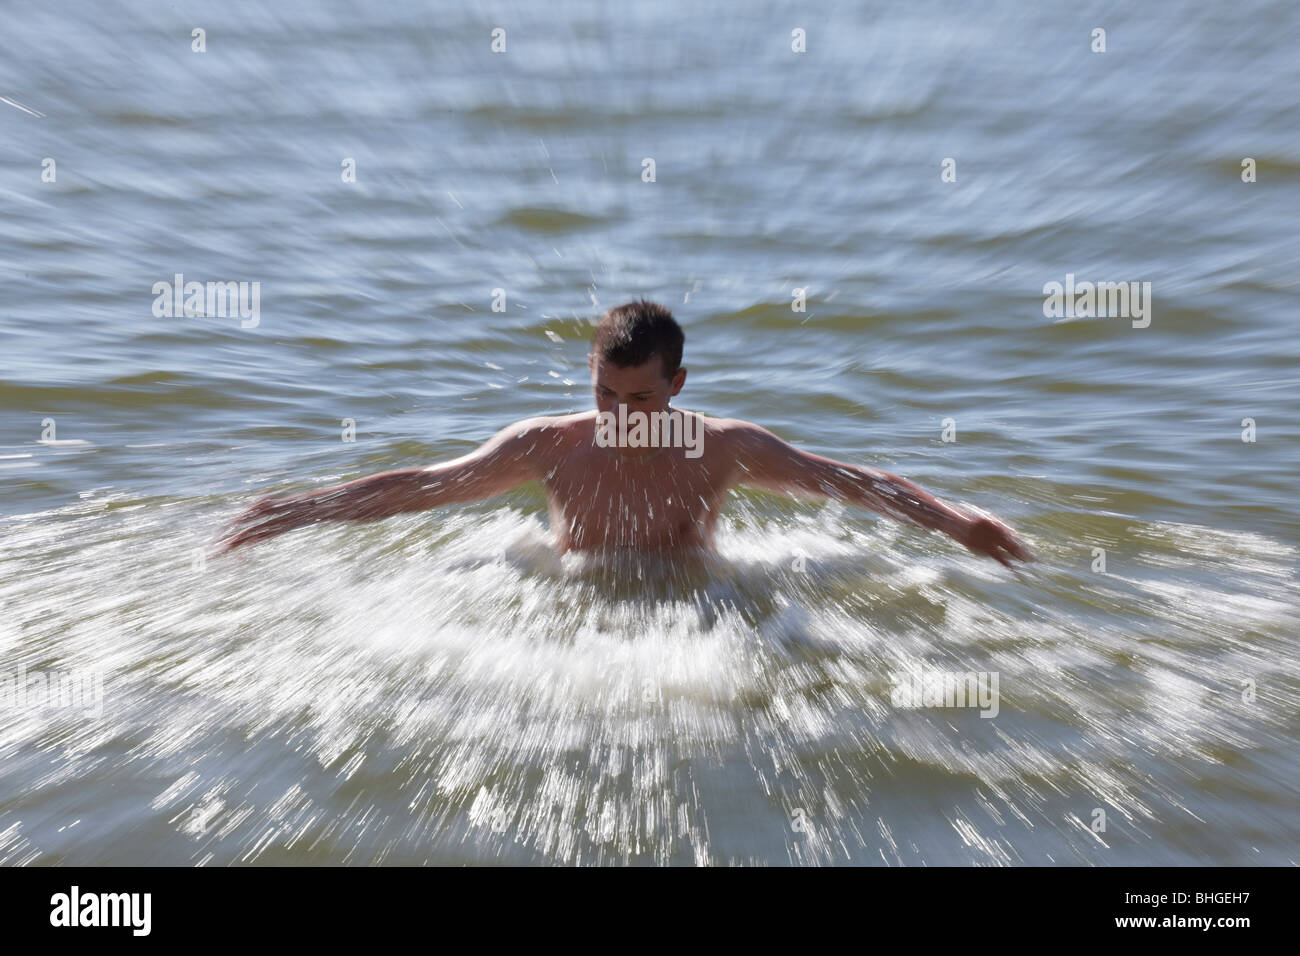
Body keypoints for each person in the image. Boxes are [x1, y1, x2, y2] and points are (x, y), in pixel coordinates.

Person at [220, 300, 1032, 568]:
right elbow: (427, 486)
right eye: (604, 393)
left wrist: (961, 524)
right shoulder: (548, 444)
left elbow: (850, 482)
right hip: (579, 621)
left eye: (639, 399)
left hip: (692, 628)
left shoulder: (723, 448)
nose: (616, 416)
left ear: (677, 387)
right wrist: (303, 509)